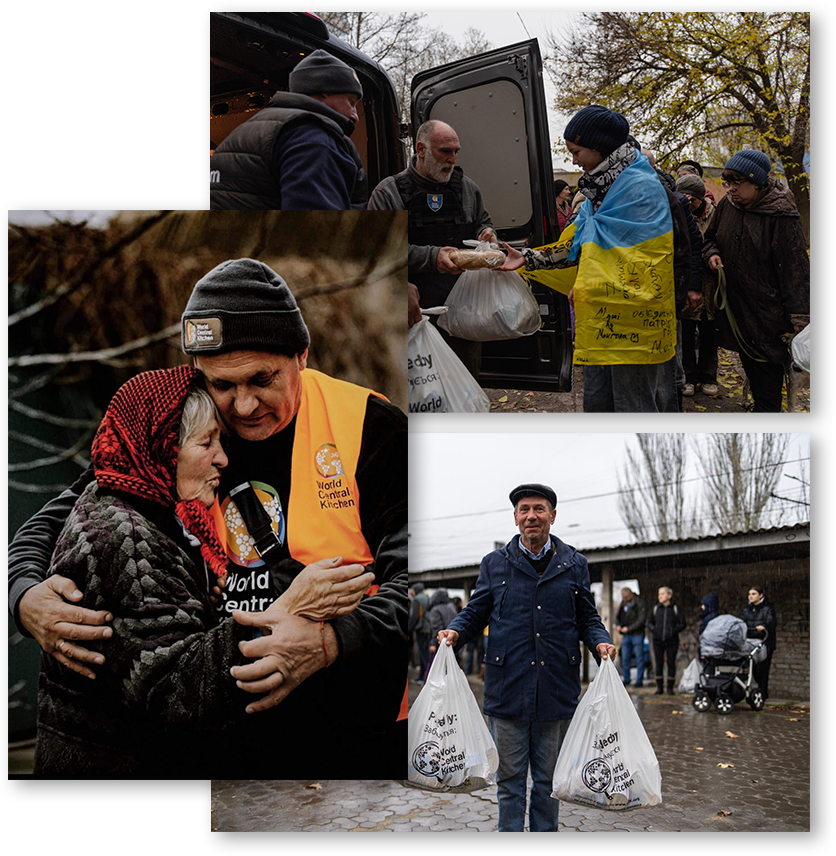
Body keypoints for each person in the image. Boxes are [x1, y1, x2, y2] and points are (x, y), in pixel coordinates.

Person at [11, 257, 407, 777]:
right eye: (223, 384)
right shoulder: (180, 433)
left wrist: (332, 641)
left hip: (357, 737)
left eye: (262, 378)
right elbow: (55, 517)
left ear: (301, 356)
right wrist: (23, 596)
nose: (242, 406)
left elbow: (414, 582)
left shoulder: (370, 427)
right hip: (230, 742)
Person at [33, 367, 374, 775]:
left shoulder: (130, 502)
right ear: (163, 447)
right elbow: (178, 689)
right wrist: (289, 607)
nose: (223, 459)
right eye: (206, 442)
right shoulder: (125, 537)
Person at [437, 483, 615, 833]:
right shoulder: (495, 564)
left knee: (549, 785)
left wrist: (601, 643)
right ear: (516, 517)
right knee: (510, 784)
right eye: (524, 510)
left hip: (556, 690)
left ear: (552, 515)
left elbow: (588, 618)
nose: (531, 515)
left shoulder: (574, 564)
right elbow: (476, 611)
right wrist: (455, 631)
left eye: (538, 508)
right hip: (507, 691)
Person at [501, 105, 678, 412]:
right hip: (601, 319)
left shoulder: (640, 189)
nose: (573, 160)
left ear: (598, 147)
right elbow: (579, 245)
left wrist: (589, 286)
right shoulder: (600, 191)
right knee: (597, 403)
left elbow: (639, 262)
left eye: (576, 151)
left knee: (632, 404)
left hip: (633, 325)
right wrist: (527, 258)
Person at [370, 119, 497, 379]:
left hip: (463, 317)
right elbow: (377, 252)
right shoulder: (389, 193)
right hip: (413, 317)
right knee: (422, 397)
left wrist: (487, 234)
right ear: (421, 149)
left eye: (456, 152)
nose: (452, 159)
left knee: (465, 394)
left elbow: (482, 222)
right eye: (445, 151)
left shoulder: (467, 189)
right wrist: (431, 257)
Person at [703, 149, 810, 412]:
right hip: (737, 311)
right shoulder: (728, 205)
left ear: (758, 182)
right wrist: (713, 254)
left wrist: (800, 317)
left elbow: (795, 269)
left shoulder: (781, 214)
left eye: (738, 183)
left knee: (767, 384)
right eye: (728, 182)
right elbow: (709, 239)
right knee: (751, 369)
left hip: (769, 319)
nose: (731, 189)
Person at [210, 49, 368, 209]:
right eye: (352, 103)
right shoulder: (314, 138)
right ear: (325, 91)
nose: (355, 116)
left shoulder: (245, 132)